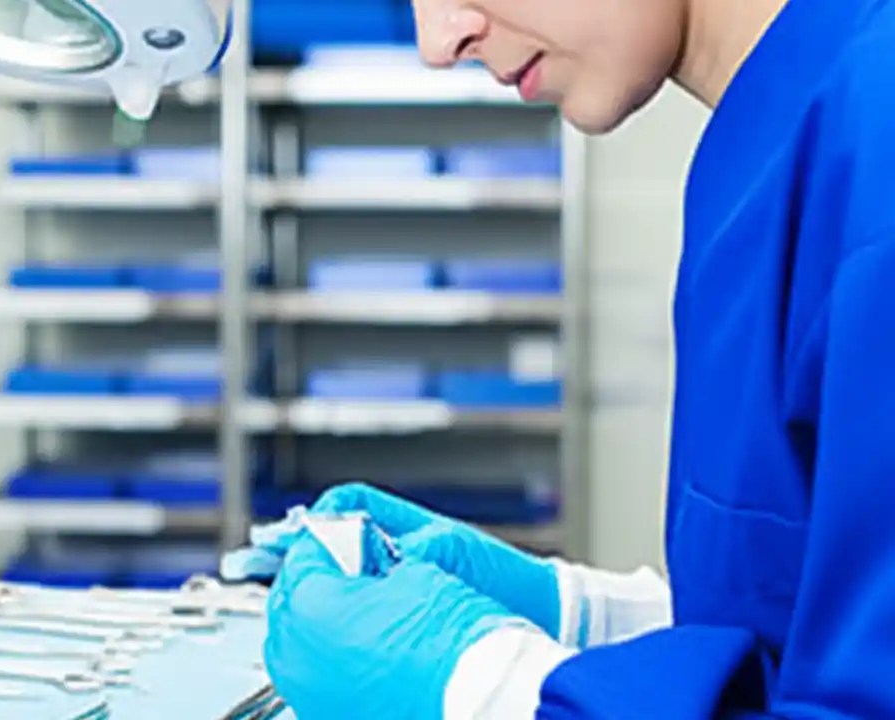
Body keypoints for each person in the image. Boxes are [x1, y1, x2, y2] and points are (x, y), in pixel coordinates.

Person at [262, 0, 895, 716]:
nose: (439, 42)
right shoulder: (766, 140)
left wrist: (495, 687)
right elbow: (821, 611)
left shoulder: (878, 140)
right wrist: (591, 618)